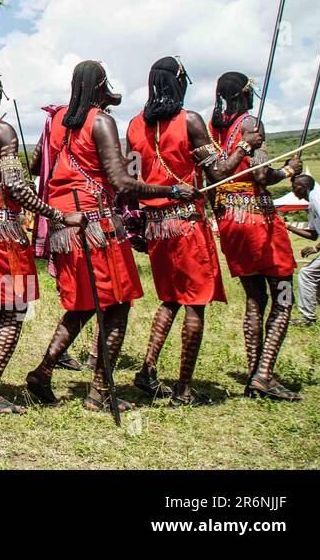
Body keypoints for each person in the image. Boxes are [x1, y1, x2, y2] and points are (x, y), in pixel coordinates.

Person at [24, 60, 193, 412]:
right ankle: (99, 391)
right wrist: (173, 191)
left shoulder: (56, 120)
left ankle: (43, 371)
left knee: (85, 304)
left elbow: (38, 161)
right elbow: (121, 183)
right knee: (117, 306)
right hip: (96, 224)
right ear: (101, 85)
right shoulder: (100, 121)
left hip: (65, 224)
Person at [0, 69, 84, 414]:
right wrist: (55, 215)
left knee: (4, 305)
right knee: (16, 307)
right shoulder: (1, 129)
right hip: (2, 230)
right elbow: (16, 188)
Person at [125, 57, 229, 405]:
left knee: (170, 298)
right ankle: (184, 387)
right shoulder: (191, 122)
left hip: (156, 228)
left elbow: (131, 184)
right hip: (185, 224)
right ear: (179, 82)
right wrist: (245, 145)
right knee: (195, 304)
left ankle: (147, 370)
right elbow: (218, 172)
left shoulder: (135, 126)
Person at [208, 71, 302, 400]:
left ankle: (254, 372)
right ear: (244, 94)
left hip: (229, 221)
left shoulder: (213, 128)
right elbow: (261, 174)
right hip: (257, 219)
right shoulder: (251, 124)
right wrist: (289, 170)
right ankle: (263, 374)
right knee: (284, 296)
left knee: (254, 298)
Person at [286, 174, 320, 325]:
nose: (293, 191)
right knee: (318, 280)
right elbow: (313, 234)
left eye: (295, 188)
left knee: (306, 274)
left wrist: (317, 248)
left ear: (304, 188)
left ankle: (307, 318)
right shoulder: (312, 204)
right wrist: (288, 226)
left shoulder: (316, 197)